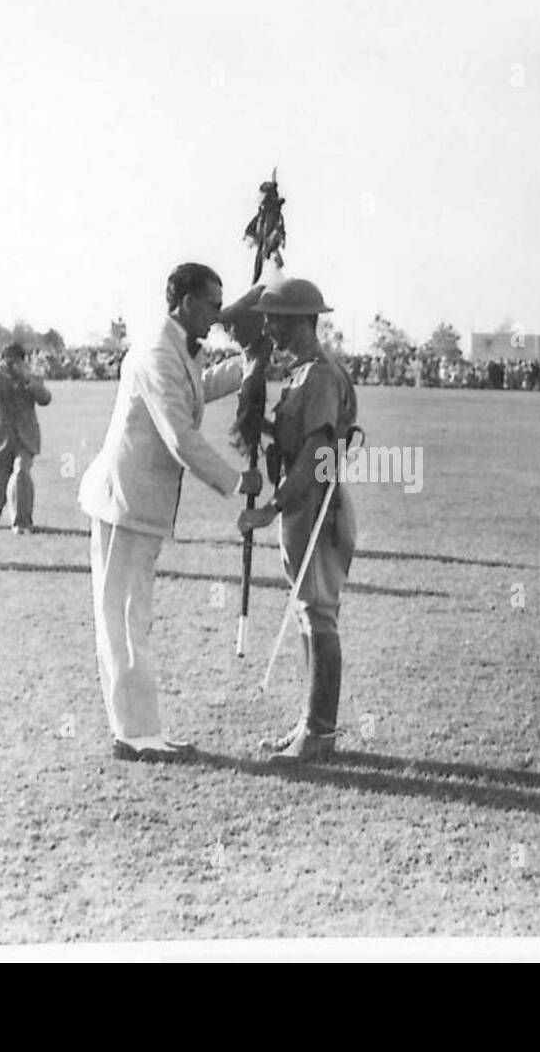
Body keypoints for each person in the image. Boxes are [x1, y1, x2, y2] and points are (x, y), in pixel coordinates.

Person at [78, 263, 264, 763]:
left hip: (139, 503)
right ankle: (136, 734)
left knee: (132, 616)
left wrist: (253, 361)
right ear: (185, 303)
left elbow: (198, 388)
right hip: (125, 501)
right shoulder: (158, 351)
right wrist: (234, 480)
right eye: (211, 304)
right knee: (123, 618)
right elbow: (181, 436)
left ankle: (140, 729)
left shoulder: (174, 347)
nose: (218, 314)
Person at [237, 278, 358, 764]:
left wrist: (275, 504)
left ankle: (321, 733)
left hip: (318, 502)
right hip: (304, 501)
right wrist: (255, 420)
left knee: (319, 613)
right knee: (310, 612)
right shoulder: (301, 373)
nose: (266, 325)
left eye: (274, 318)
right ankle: (312, 725)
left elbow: (318, 448)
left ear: (301, 321)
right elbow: (295, 436)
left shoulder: (322, 376)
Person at [0, 343, 53, 533]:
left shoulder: (32, 376)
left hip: (26, 438)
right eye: (9, 362)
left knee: (21, 473)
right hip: (0, 438)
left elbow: (45, 398)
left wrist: (27, 380)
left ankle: (22, 522)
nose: (13, 366)